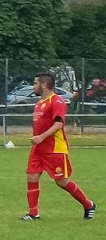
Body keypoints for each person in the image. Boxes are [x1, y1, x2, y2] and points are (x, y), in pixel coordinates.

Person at [22, 72, 95, 221]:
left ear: (44, 85)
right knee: (32, 176)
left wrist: (41, 137)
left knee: (61, 181)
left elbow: (59, 124)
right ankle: (33, 213)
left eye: (35, 83)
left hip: (54, 148)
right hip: (38, 148)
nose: (33, 86)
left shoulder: (56, 101)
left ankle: (88, 204)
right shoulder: (39, 103)